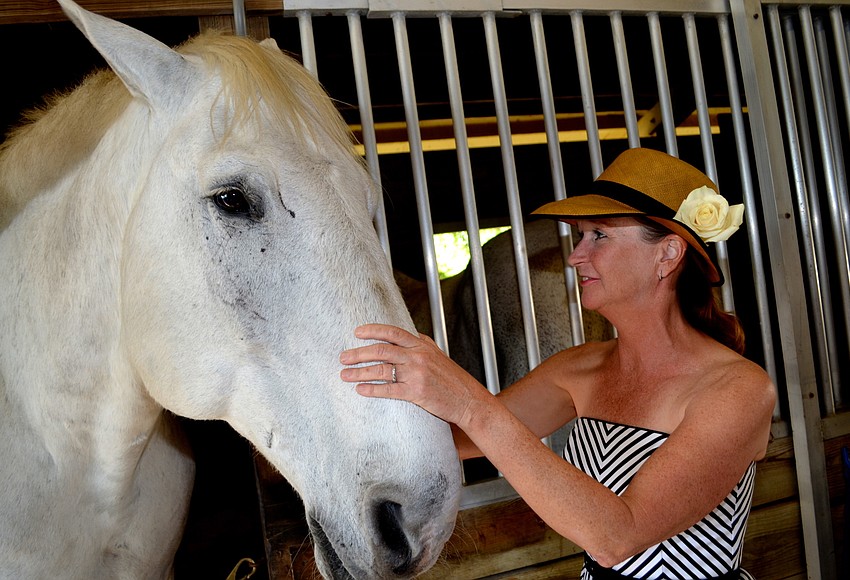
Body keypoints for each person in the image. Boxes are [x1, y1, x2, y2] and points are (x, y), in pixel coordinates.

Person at [339, 147, 776, 580]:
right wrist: (365, 399)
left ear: (667, 254)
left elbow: (617, 536)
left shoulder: (739, 390)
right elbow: (459, 438)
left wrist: (470, 402)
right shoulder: (577, 369)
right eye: (580, 236)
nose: (574, 256)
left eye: (599, 235)